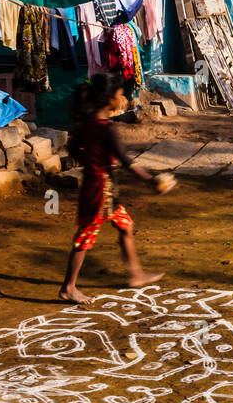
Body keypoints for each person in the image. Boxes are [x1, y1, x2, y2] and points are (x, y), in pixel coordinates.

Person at [59, 73, 175, 304]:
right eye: (120, 95)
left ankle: (136, 274)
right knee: (85, 236)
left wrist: (93, 160)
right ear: (109, 98)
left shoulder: (88, 123)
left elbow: (73, 149)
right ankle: (68, 287)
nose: (122, 100)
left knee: (126, 226)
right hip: (100, 190)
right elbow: (126, 161)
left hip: (100, 185)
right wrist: (150, 180)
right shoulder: (105, 128)